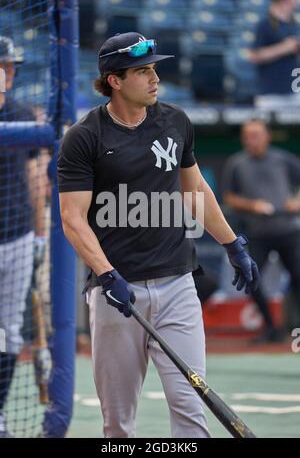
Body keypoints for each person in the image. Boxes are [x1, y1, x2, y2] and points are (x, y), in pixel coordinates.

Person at [58, 32, 259, 438]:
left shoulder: (175, 121)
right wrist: (106, 273)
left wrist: (231, 243)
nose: (155, 79)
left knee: (190, 407)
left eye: (155, 69)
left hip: (177, 284)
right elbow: (72, 218)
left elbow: (195, 190)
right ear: (114, 80)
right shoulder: (85, 137)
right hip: (117, 294)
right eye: (143, 71)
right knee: (118, 422)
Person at [0, 36, 47, 437]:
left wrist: (39, 234)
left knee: (8, 332)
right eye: (4, 65)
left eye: (12, 66)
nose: (9, 72)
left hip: (15, 236)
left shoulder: (21, 113)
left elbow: (35, 178)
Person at [222, 119, 300, 343]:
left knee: (298, 276)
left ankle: (293, 325)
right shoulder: (236, 163)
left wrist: (296, 201)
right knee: (250, 278)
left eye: (256, 135)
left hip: (288, 230)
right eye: (247, 135)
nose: (251, 140)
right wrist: (252, 205)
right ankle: (271, 328)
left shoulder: (283, 159)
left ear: (267, 136)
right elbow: (229, 197)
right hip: (257, 232)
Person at [248, 0, 300, 109]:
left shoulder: (294, 25)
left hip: (294, 91)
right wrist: (284, 48)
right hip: (271, 95)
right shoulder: (265, 25)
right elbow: (253, 56)